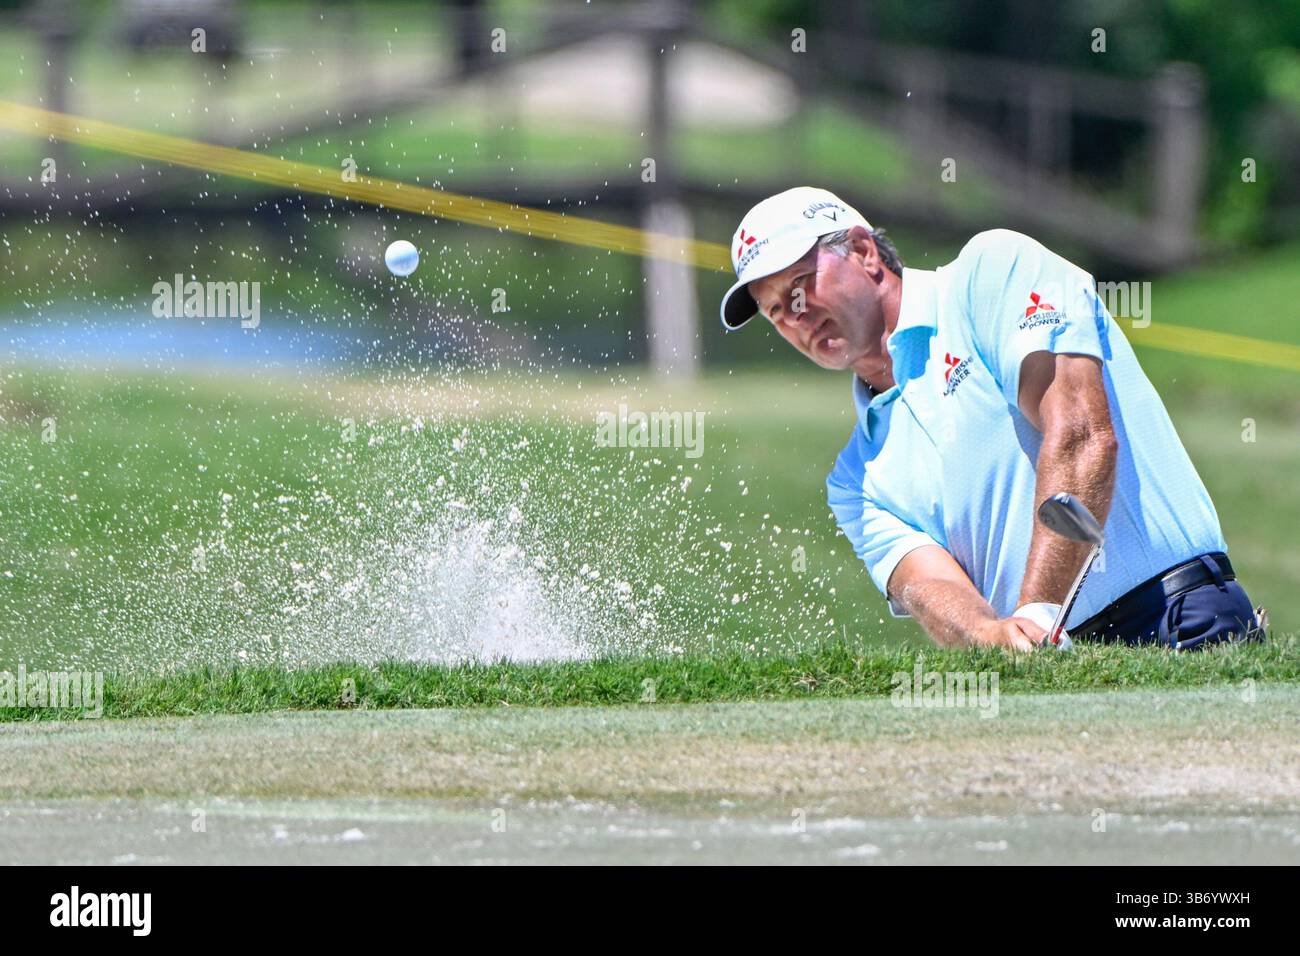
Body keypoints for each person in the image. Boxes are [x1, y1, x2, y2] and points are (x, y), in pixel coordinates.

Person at [720, 187, 1265, 651]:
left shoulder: (990, 273)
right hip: (1052, 668)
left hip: (1177, 619)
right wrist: (996, 639)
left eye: (800, 286)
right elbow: (931, 589)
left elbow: (1079, 435)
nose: (794, 316)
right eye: (775, 311)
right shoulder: (856, 479)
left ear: (863, 251)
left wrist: (1038, 613)